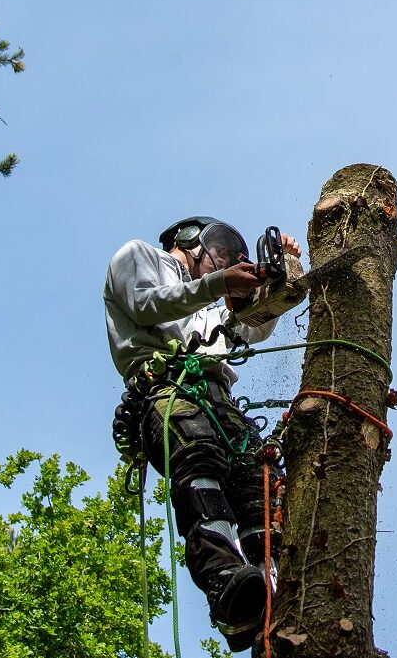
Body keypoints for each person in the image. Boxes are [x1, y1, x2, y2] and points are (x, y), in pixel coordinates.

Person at [103, 216, 301, 651]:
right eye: (223, 256)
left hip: (220, 397)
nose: (225, 265)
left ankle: (273, 577)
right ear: (191, 241)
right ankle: (225, 580)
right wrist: (217, 286)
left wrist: (280, 278)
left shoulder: (209, 305)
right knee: (201, 461)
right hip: (168, 389)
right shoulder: (138, 256)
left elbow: (251, 326)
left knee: (258, 482)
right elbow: (146, 305)